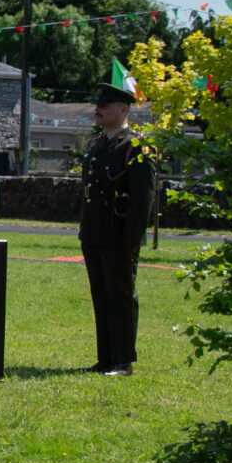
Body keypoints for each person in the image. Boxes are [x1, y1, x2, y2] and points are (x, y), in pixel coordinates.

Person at [79, 83, 153, 376]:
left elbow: (143, 196)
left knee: (121, 295)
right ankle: (106, 357)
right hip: (95, 230)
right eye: (98, 104)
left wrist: (133, 235)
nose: (98, 109)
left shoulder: (138, 145)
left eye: (106, 105)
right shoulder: (96, 144)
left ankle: (123, 361)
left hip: (119, 231)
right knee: (101, 294)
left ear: (123, 110)